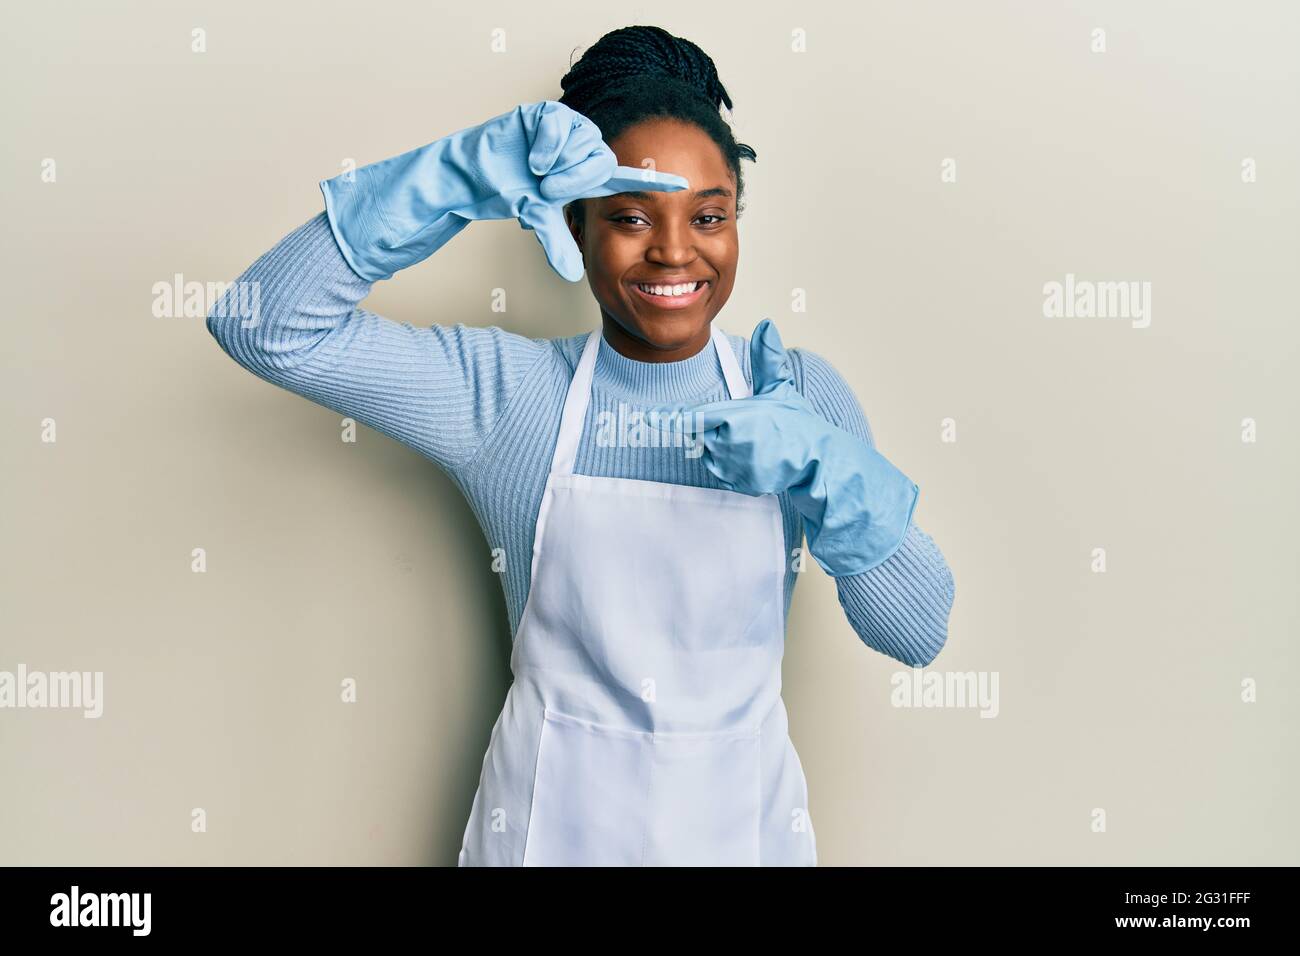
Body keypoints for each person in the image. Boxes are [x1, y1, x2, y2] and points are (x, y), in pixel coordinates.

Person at [206, 25, 956, 867]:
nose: (675, 250)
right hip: (544, 839)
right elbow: (260, 325)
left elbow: (918, 632)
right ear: (574, 224)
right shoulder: (510, 399)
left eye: (708, 215)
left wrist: (829, 470)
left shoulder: (796, 397)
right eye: (632, 216)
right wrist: (448, 181)